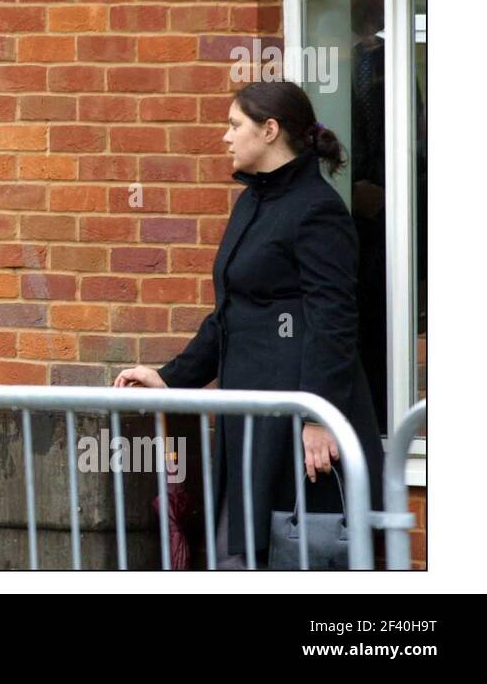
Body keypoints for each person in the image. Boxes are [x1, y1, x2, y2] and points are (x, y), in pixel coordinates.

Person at [113, 80, 385, 569]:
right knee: (240, 556)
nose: (225, 136)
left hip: (295, 426)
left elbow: (335, 322)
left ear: (270, 130)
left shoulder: (317, 210)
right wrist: (173, 376)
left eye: (235, 125)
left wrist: (316, 415)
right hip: (249, 418)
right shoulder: (252, 202)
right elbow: (231, 313)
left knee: (291, 556)